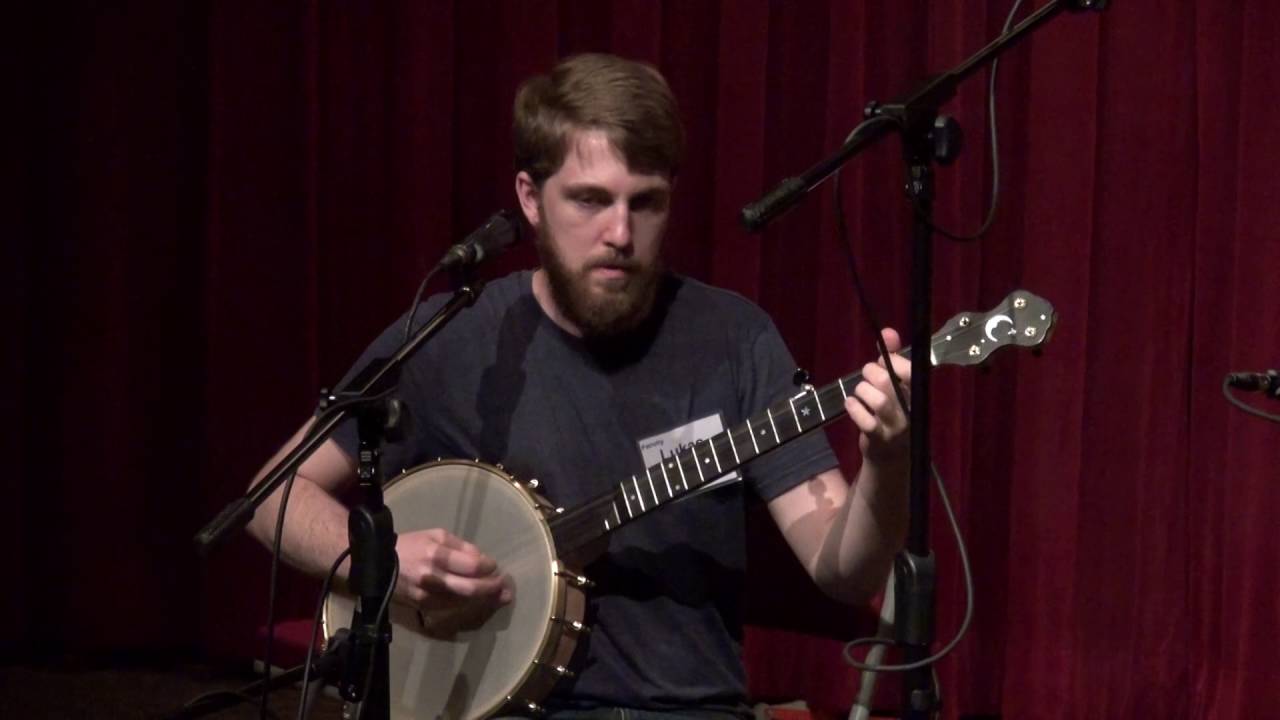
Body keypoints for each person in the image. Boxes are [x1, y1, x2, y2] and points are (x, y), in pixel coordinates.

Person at [247, 53, 910, 719]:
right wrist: (377, 558)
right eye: (590, 200)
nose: (619, 234)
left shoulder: (736, 340)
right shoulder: (456, 337)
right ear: (531, 200)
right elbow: (272, 496)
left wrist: (885, 461)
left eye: (644, 203)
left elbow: (843, 569)